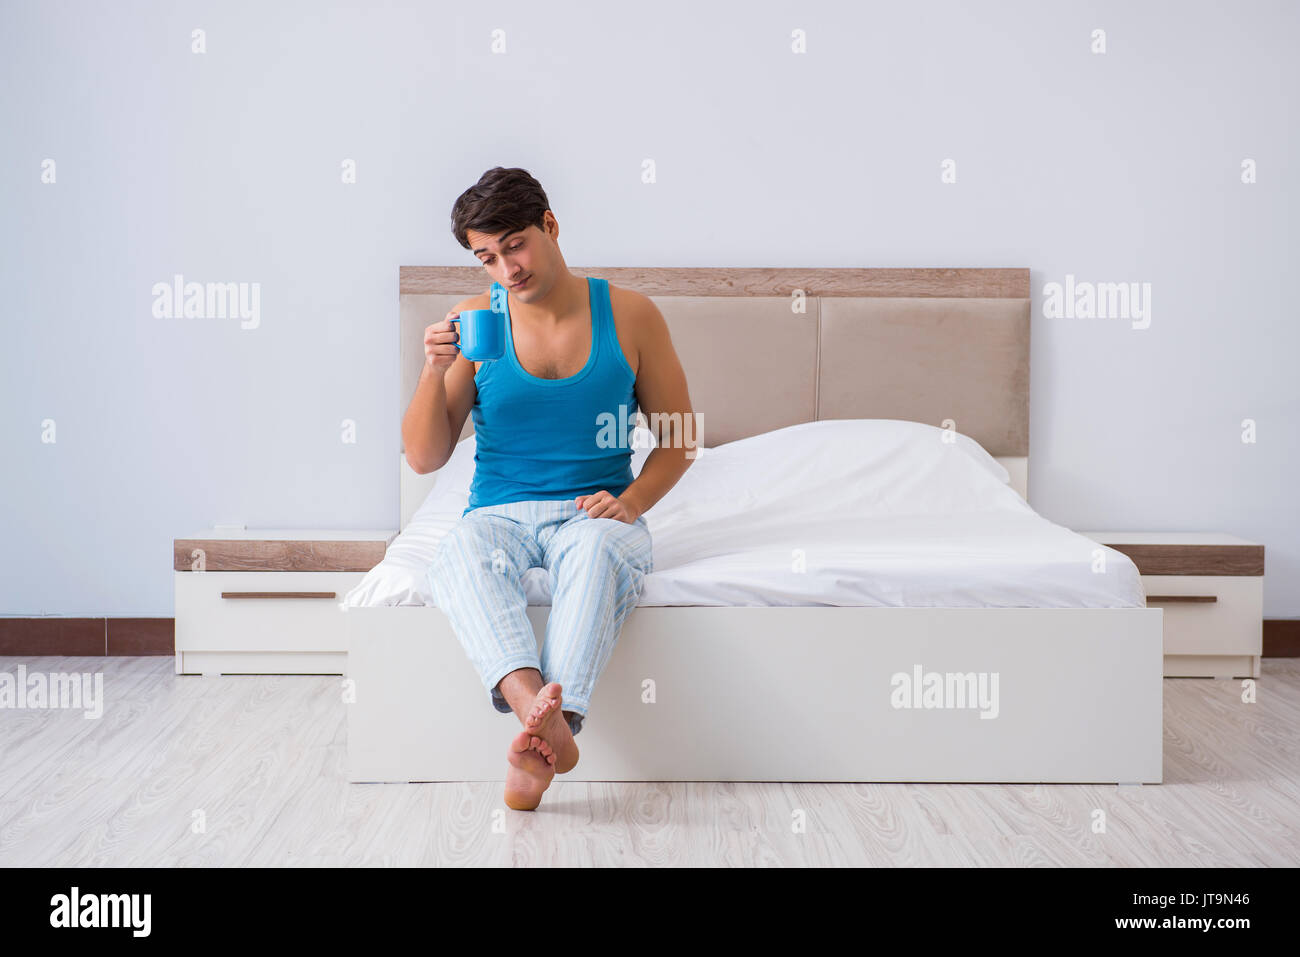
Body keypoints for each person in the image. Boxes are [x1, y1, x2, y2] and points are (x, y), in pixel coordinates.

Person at [401, 167, 696, 810]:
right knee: (459, 556)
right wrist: (434, 372)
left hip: (594, 511)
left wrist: (631, 503)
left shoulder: (630, 314)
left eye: (515, 244)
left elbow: (680, 437)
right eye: (487, 257)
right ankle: (547, 727)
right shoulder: (475, 322)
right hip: (498, 512)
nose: (507, 268)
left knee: (594, 555)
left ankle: (537, 738)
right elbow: (424, 458)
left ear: (550, 226)